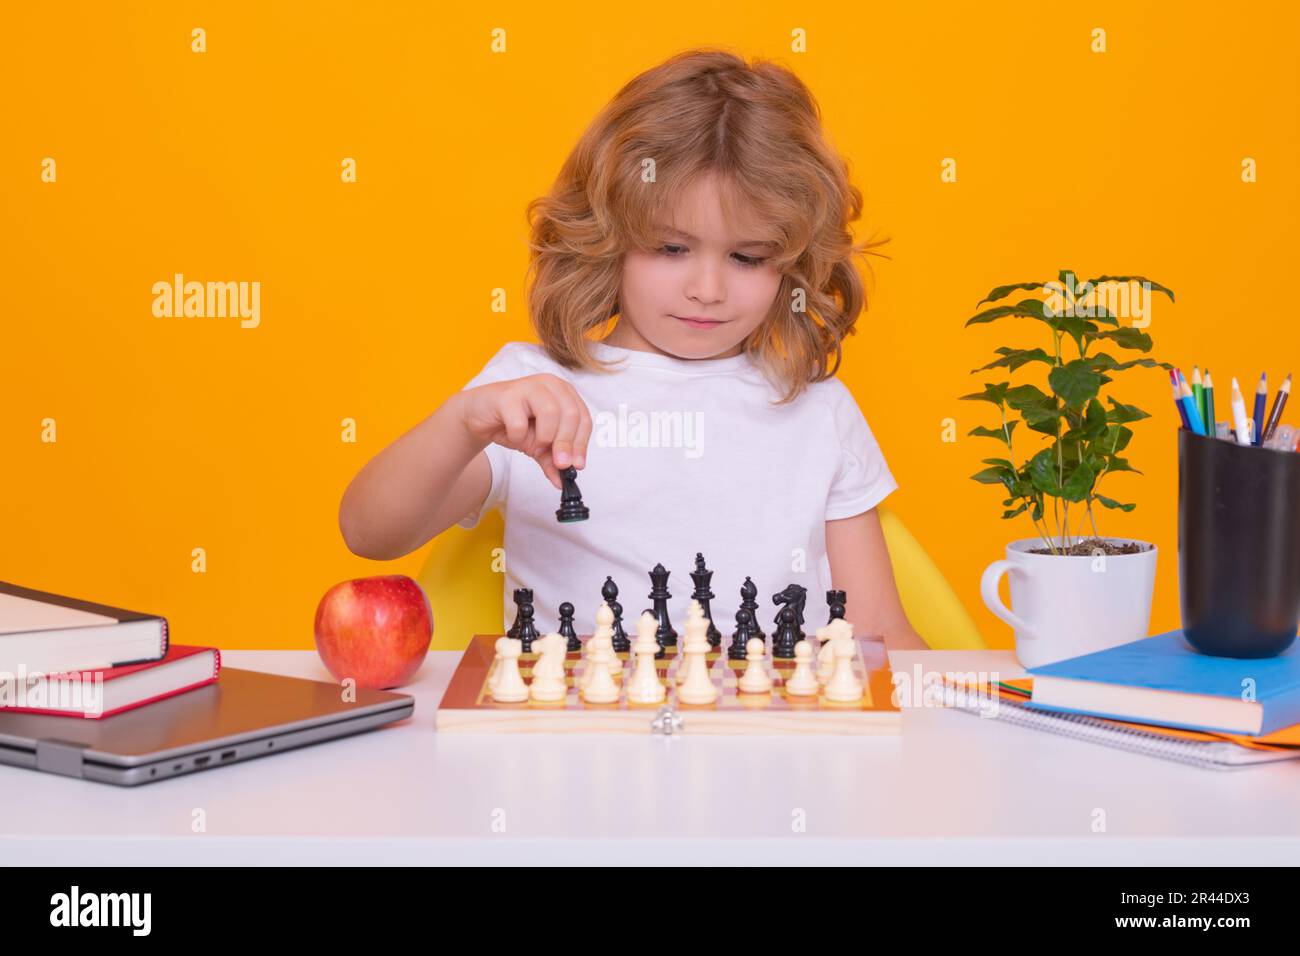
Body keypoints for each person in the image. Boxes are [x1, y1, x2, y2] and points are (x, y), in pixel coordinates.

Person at [339, 48, 926, 651]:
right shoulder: (528, 393)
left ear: (793, 262)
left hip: (770, 737)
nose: (707, 290)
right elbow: (370, 532)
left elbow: (879, 634)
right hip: (575, 734)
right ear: (608, 236)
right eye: (671, 249)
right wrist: (465, 423)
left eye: (747, 257)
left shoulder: (817, 410)